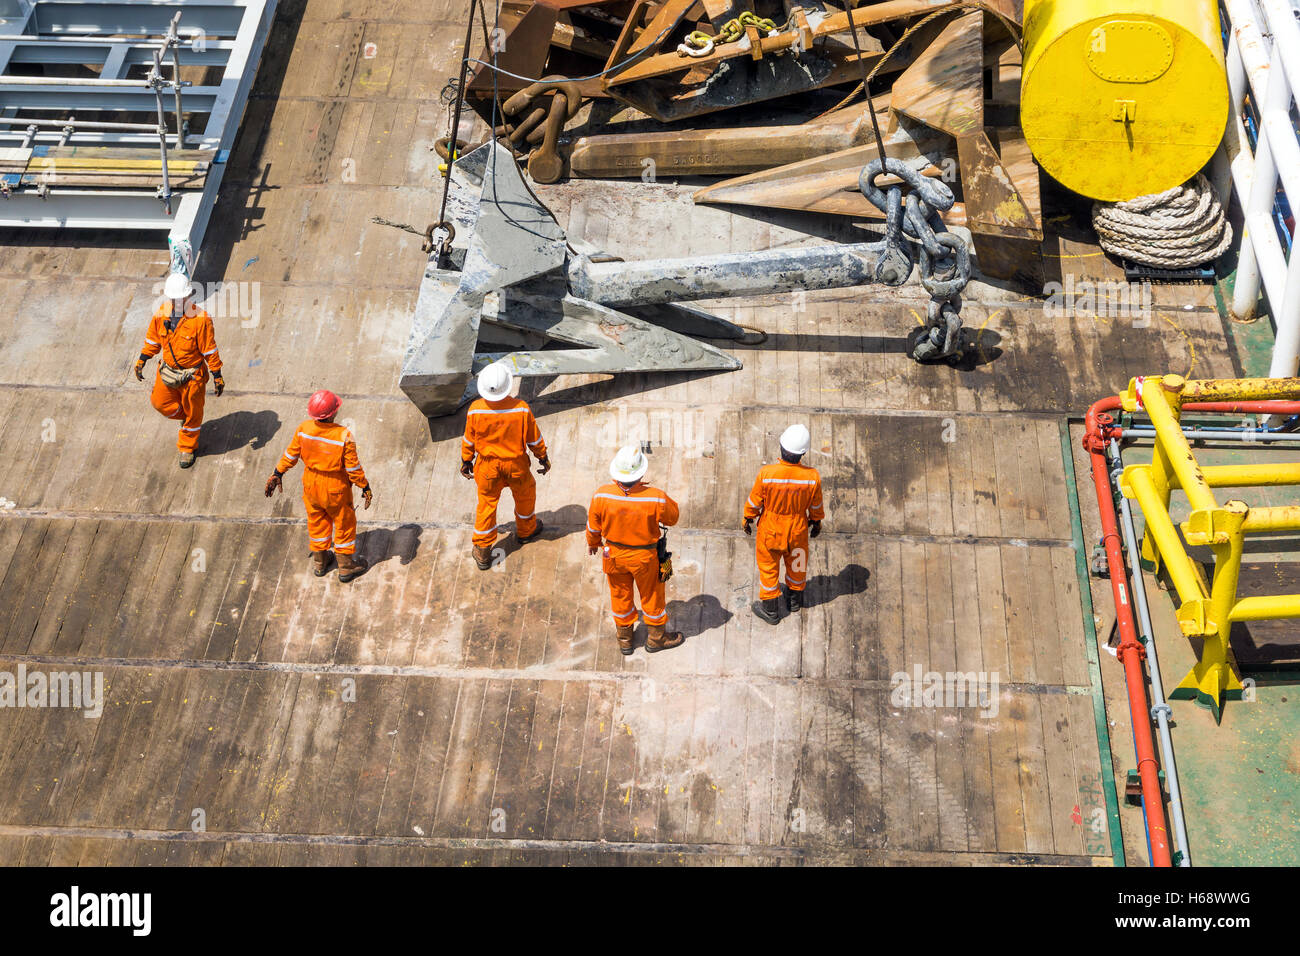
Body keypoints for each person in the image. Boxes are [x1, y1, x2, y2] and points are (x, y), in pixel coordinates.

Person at [265, 390, 373, 582]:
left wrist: (277, 473)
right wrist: (364, 486)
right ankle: (346, 567)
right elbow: (353, 468)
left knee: (316, 520)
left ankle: (320, 562)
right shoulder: (343, 435)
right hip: (335, 487)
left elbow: (291, 455)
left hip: (311, 484)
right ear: (333, 413)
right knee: (344, 523)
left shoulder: (303, 429)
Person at [586, 445, 683, 654]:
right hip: (645, 558)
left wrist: (593, 543)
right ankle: (656, 640)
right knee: (652, 597)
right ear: (641, 473)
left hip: (613, 555)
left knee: (620, 595)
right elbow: (673, 518)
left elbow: (593, 527)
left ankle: (625, 640)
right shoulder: (655, 497)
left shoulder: (601, 495)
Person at [460, 362, 550, 569]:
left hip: (487, 467)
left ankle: (482, 551)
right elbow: (534, 439)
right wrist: (543, 457)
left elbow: (469, 441)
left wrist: (466, 460)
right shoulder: (521, 409)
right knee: (525, 495)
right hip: (516, 465)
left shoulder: (475, 411)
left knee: (487, 504)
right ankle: (526, 531)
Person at [134, 272, 224, 468]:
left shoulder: (201, 319)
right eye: (173, 298)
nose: (176, 301)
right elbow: (152, 339)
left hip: (193, 377)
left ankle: (187, 447)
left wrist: (217, 375)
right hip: (167, 372)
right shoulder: (161, 312)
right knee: (159, 403)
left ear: (188, 295)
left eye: (179, 298)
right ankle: (183, 418)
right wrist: (143, 359)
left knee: (194, 413)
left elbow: (210, 350)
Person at [744, 424, 824, 624]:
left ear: (781, 447)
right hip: (798, 529)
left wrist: (748, 518)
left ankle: (771, 611)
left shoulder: (767, 474)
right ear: (803, 453)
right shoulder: (812, 477)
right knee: (797, 565)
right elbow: (816, 505)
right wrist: (816, 522)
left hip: (770, 529)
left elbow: (755, 502)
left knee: (769, 568)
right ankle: (794, 601)